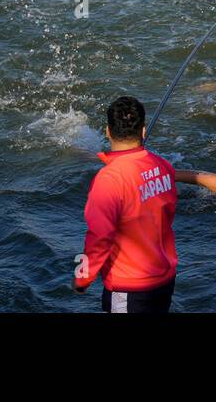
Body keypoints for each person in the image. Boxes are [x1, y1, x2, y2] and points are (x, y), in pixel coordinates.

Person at [74, 95, 177, 313]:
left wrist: (82, 278)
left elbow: (99, 238)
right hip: (165, 280)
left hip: (128, 287)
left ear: (108, 131)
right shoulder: (164, 167)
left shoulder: (108, 179)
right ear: (143, 131)